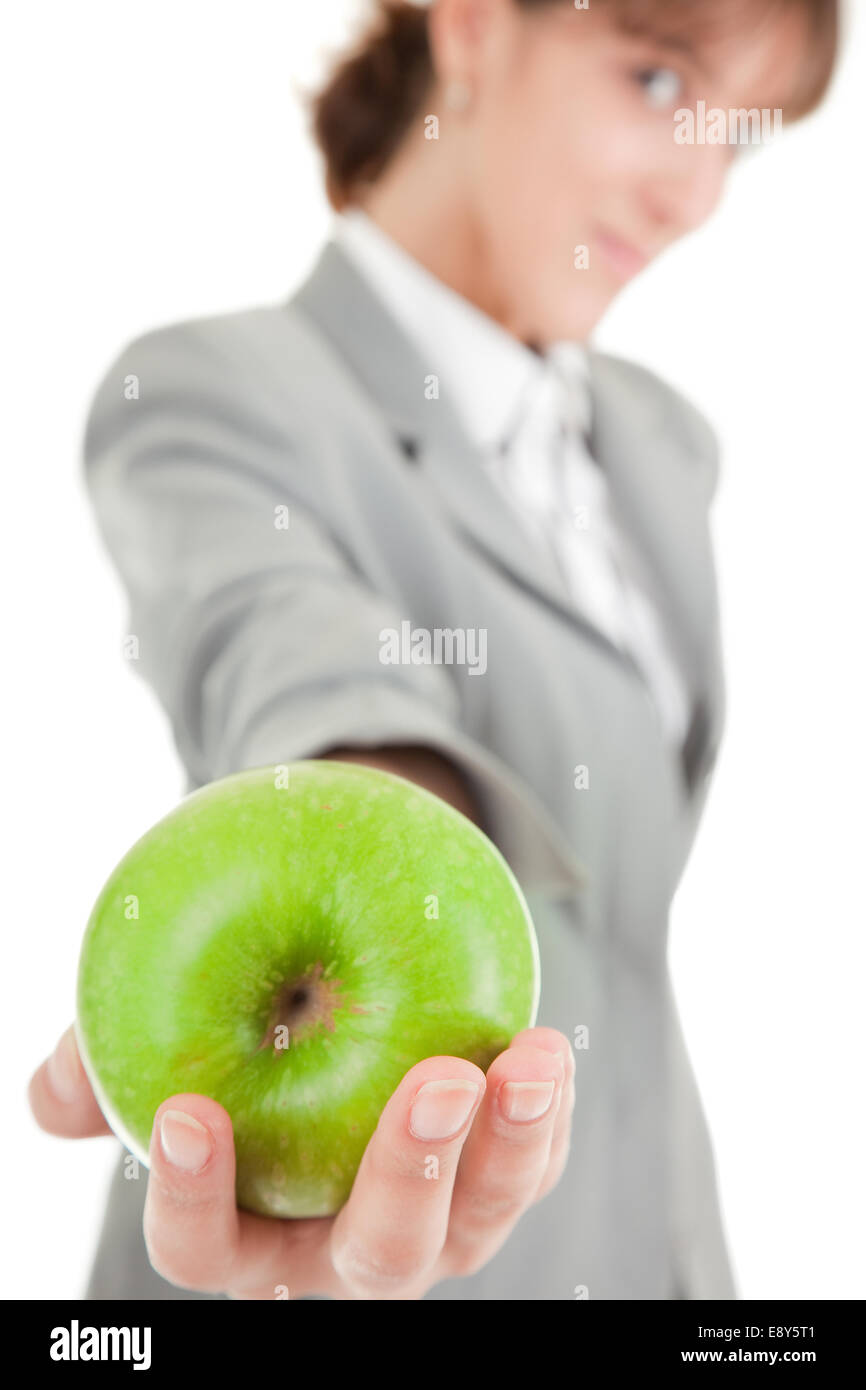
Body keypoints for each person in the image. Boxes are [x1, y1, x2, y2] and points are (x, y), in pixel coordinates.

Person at [29, 0, 840, 1301]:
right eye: (655, 80)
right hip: (346, 1246)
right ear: (468, 26)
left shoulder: (661, 443)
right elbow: (296, 660)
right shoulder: (217, 388)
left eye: (735, 139)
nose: (693, 192)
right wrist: (377, 861)